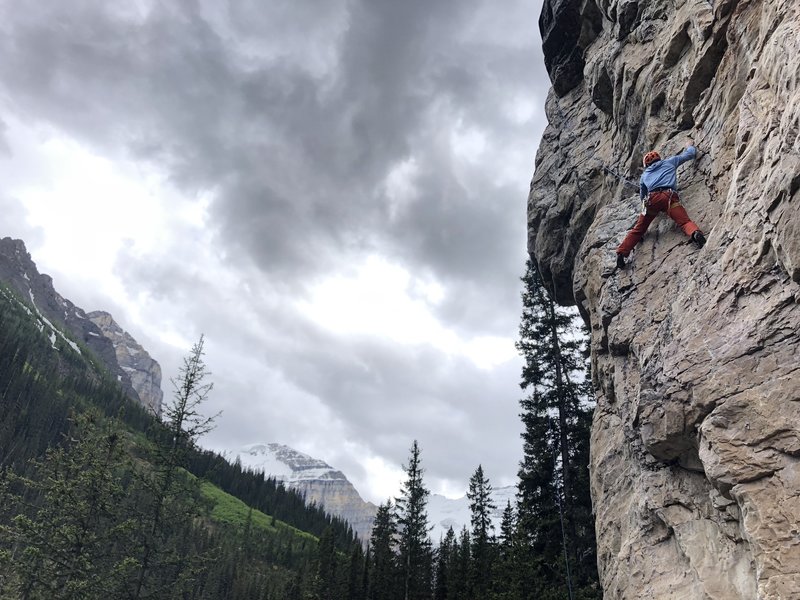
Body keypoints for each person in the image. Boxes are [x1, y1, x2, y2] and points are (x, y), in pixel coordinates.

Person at [616, 141, 706, 269]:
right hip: (669, 198)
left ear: (646, 165)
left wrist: (645, 209)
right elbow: (690, 154)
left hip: (651, 201)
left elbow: (643, 196)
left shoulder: (644, 176)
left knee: (638, 229)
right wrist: (689, 145)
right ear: (659, 158)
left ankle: (621, 252)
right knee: (684, 222)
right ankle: (695, 233)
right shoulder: (670, 162)